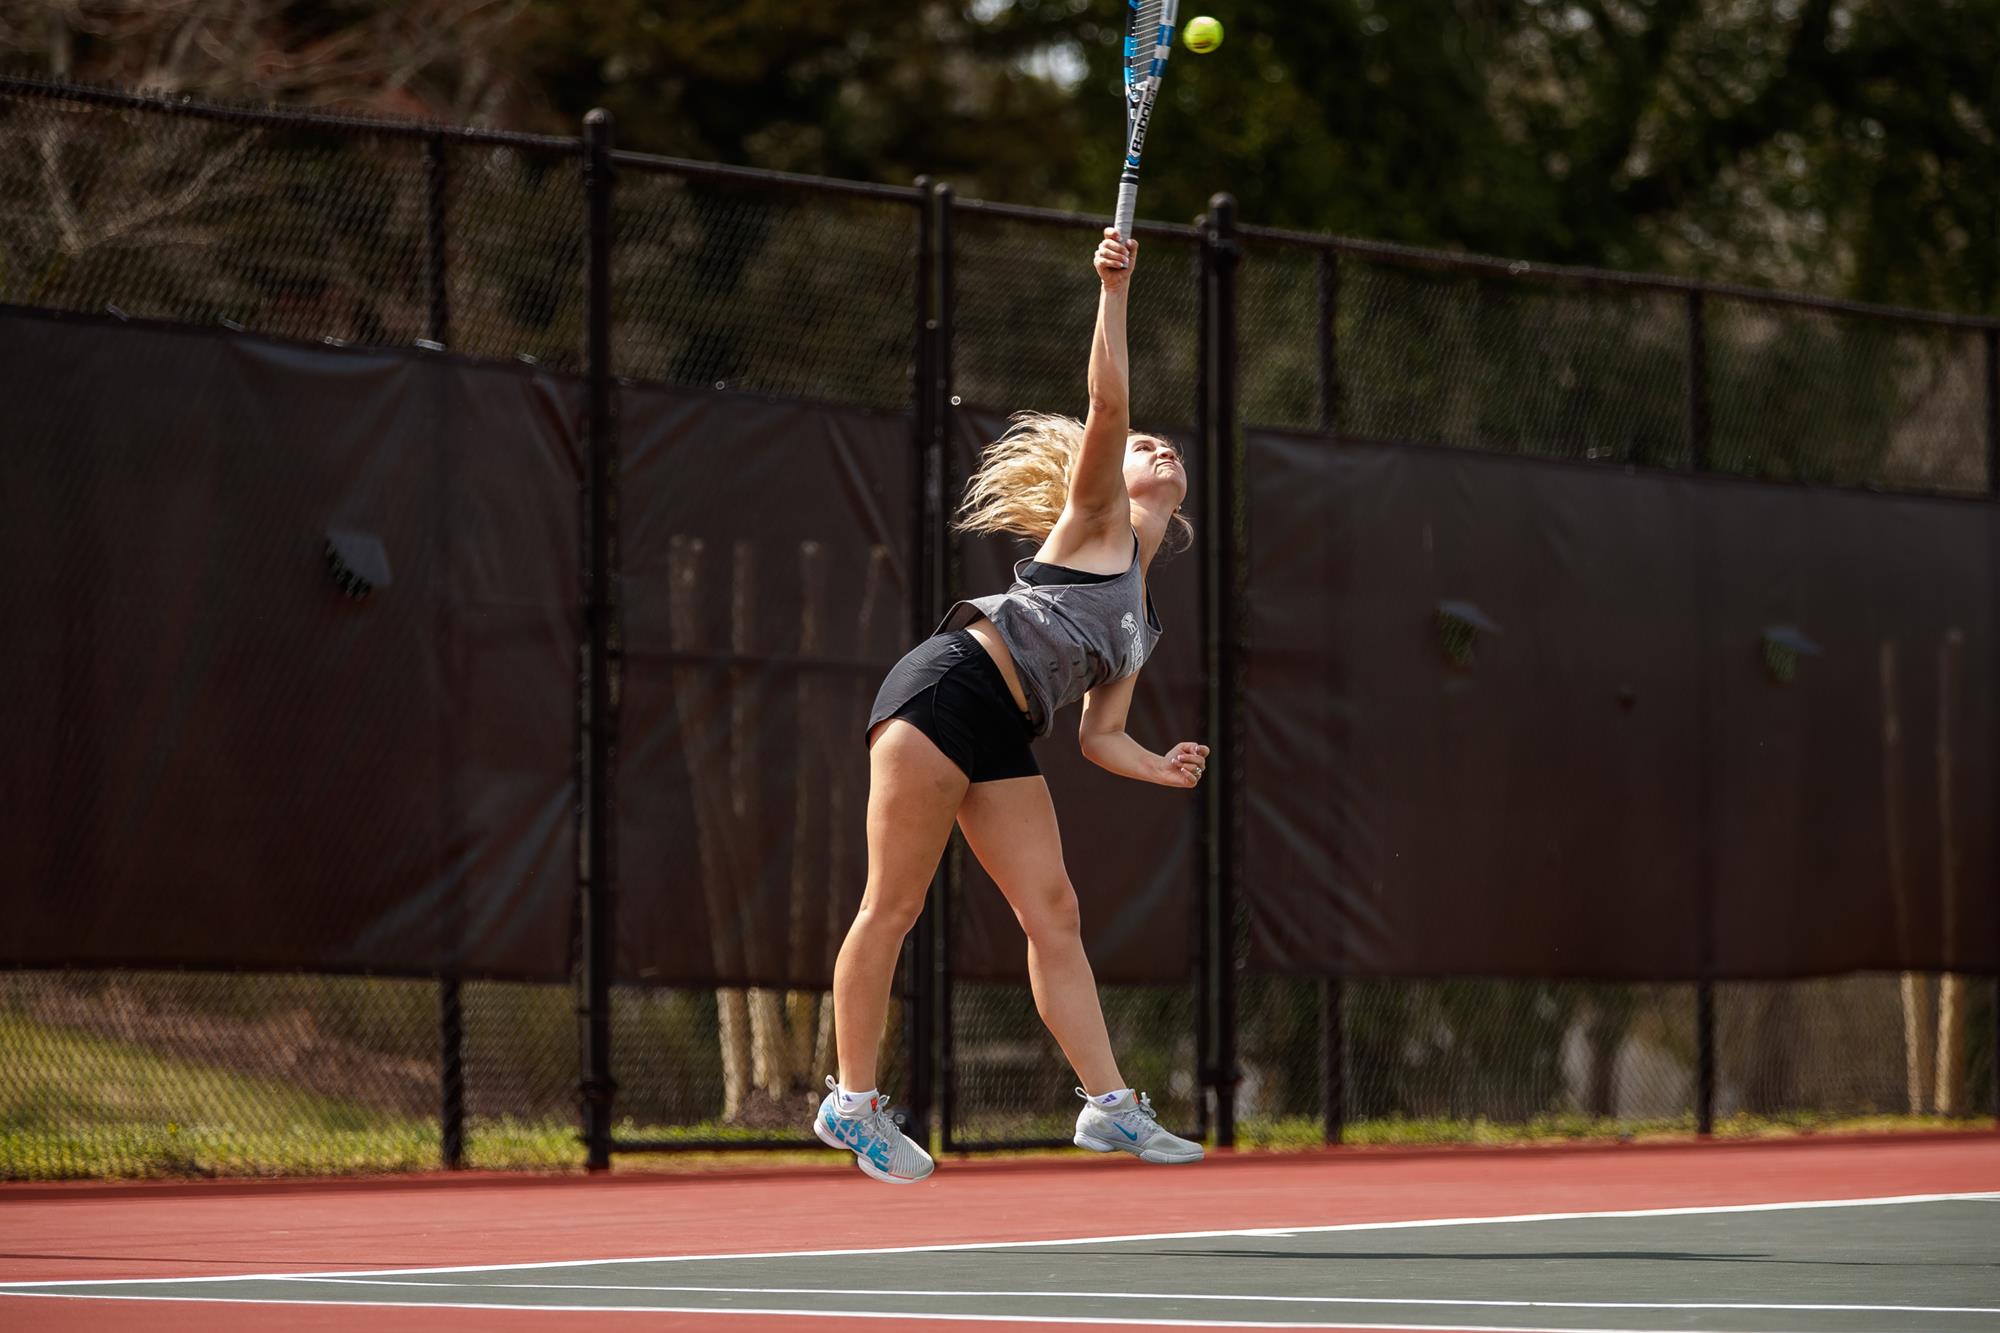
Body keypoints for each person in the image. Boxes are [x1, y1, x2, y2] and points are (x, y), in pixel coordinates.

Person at [812, 227, 1207, 1184]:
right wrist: (1114, 289)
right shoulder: (1097, 518)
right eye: (1142, 445)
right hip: (946, 688)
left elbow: (1101, 735)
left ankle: (1109, 1106)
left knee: (1054, 910)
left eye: (1168, 447)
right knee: (893, 903)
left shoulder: (1141, 621)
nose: (1158, 446)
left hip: (1004, 725)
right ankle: (851, 1103)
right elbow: (1108, 402)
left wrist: (1157, 765)